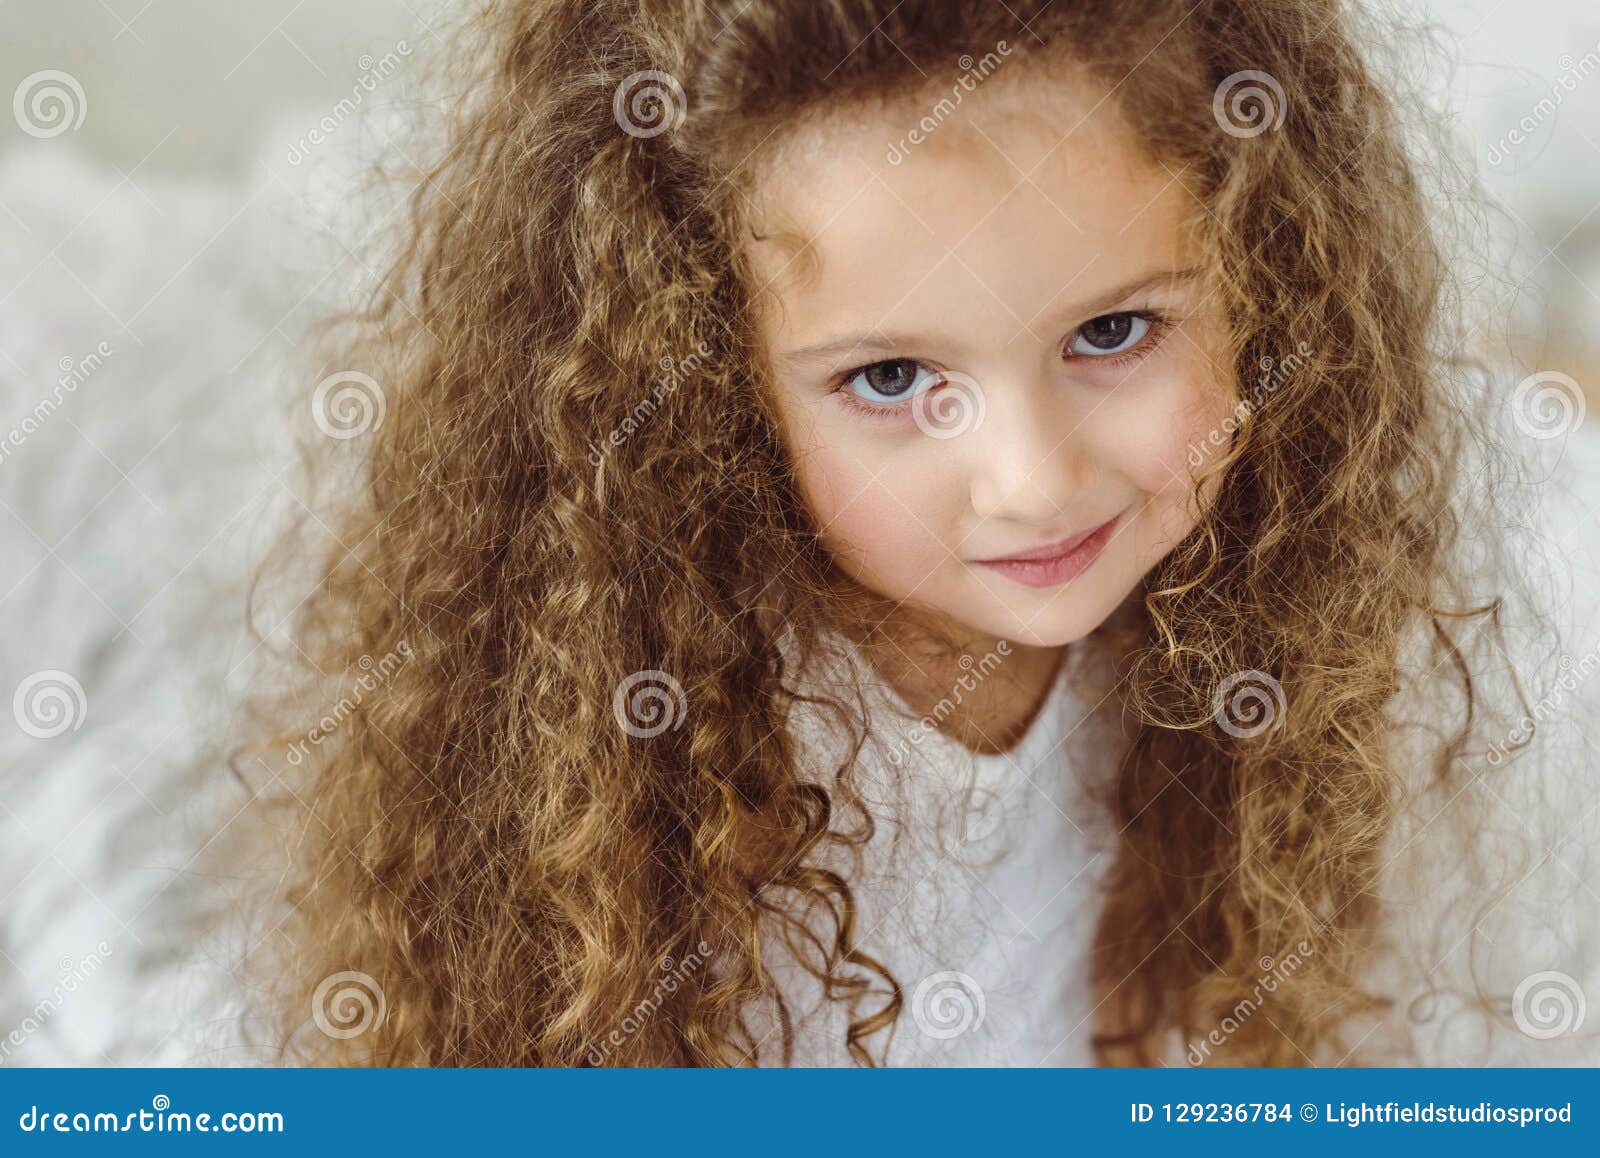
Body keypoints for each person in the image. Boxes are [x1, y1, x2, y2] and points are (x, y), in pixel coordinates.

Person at [241, 0, 1600, 1066]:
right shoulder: (653, 741)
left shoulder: (1293, 538)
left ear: (1268, 275)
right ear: (719, 394)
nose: (1031, 480)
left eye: (1112, 331)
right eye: (891, 380)